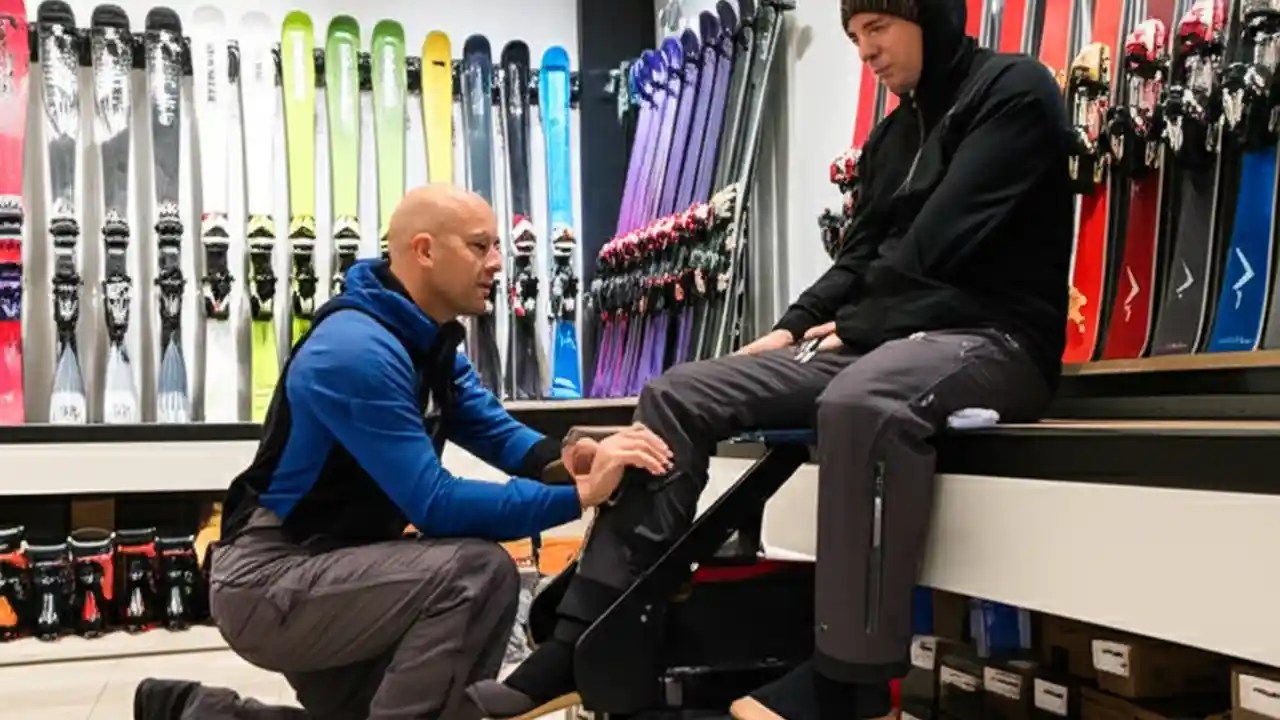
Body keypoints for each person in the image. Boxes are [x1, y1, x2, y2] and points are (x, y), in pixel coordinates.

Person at [466, 0, 1074, 717]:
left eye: (877, 29)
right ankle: (585, 638)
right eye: (853, 36)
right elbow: (860, 258)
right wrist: (794, 326)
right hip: (885, 344)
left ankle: (849, 683)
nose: (865, 52)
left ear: (931, 15)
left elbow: (941, 245)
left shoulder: (1014, 92)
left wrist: (849, 328)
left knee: (860, 403)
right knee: (679, 391)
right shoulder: (891, 138)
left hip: (994, 342)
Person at [131, 184, 673, 720]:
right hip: (273, 579)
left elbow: (502, 437)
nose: (497, 265)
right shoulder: (355, 350)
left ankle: (193, 710)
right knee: (477, 573)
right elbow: (434, 503)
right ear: (424, 251)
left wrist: (577, 458)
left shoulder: (424, 341)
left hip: (339, 570)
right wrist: (579, 495)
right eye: (480, 247)